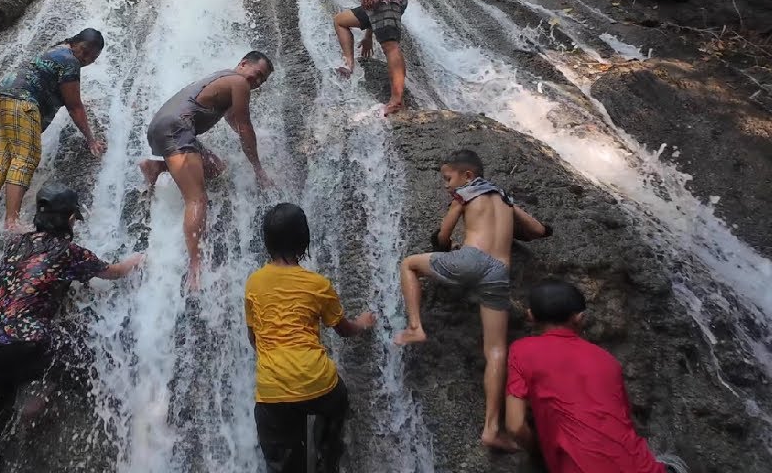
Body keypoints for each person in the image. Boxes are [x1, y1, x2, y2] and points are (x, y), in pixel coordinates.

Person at [0, 182, 143, 473]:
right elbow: (114, 272)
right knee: (80, 339)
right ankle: (42, 397)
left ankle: (31, 399)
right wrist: (139, 259)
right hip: (26, 347)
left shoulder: (16, 244)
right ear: (70, 219)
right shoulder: (69, 253)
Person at [393, 149, 546, 452]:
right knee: (497, 350)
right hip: (499, 271)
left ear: (467, 176)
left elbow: (443, 236)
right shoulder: (503, 198)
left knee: (409, 264)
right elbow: (539, 230)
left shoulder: (465, 194)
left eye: (447, 178)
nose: (446, 185)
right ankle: (492, 429)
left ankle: (415, 327)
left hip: (470, 259)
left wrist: (446, 244)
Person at [506, 279, 690, 473]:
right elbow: (622, 424)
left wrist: (539, 452)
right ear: (580, 318)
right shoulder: (608, 360)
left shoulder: (522, 350)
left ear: (530, 316)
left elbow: (515, 426)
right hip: (641, 468)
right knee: (670, 461)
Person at [245, 203, 376, 473]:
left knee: (282, 464)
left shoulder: (254, 283)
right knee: (337, 402)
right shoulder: (318, 284)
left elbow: (254, 338)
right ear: (304, 240)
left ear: (266, 241)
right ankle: (324, 456)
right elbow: (344, 329)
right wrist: (362, 324)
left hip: (272, 392)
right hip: (318, 383)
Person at [138, 51, 275, 289]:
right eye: (258, 74)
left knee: (215, 168)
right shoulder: (239, 82)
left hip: (162, 127)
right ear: (243, 64)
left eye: (262, 81)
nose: (257, 82)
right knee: (197, 199)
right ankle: (195, 267)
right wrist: (258, 169)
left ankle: (157, 166)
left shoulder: (221, 80)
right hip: (177, 129)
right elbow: (244, 127)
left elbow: (233, 120)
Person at [0, 29, 107, 230]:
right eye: (85, 51)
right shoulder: (70, 61)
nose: (86, 59)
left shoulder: (55, 52)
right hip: (21, 101)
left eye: (93, 57)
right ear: (75, 44)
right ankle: (12, 221)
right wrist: (91, 140)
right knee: (25, 158)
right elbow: (74, 106)